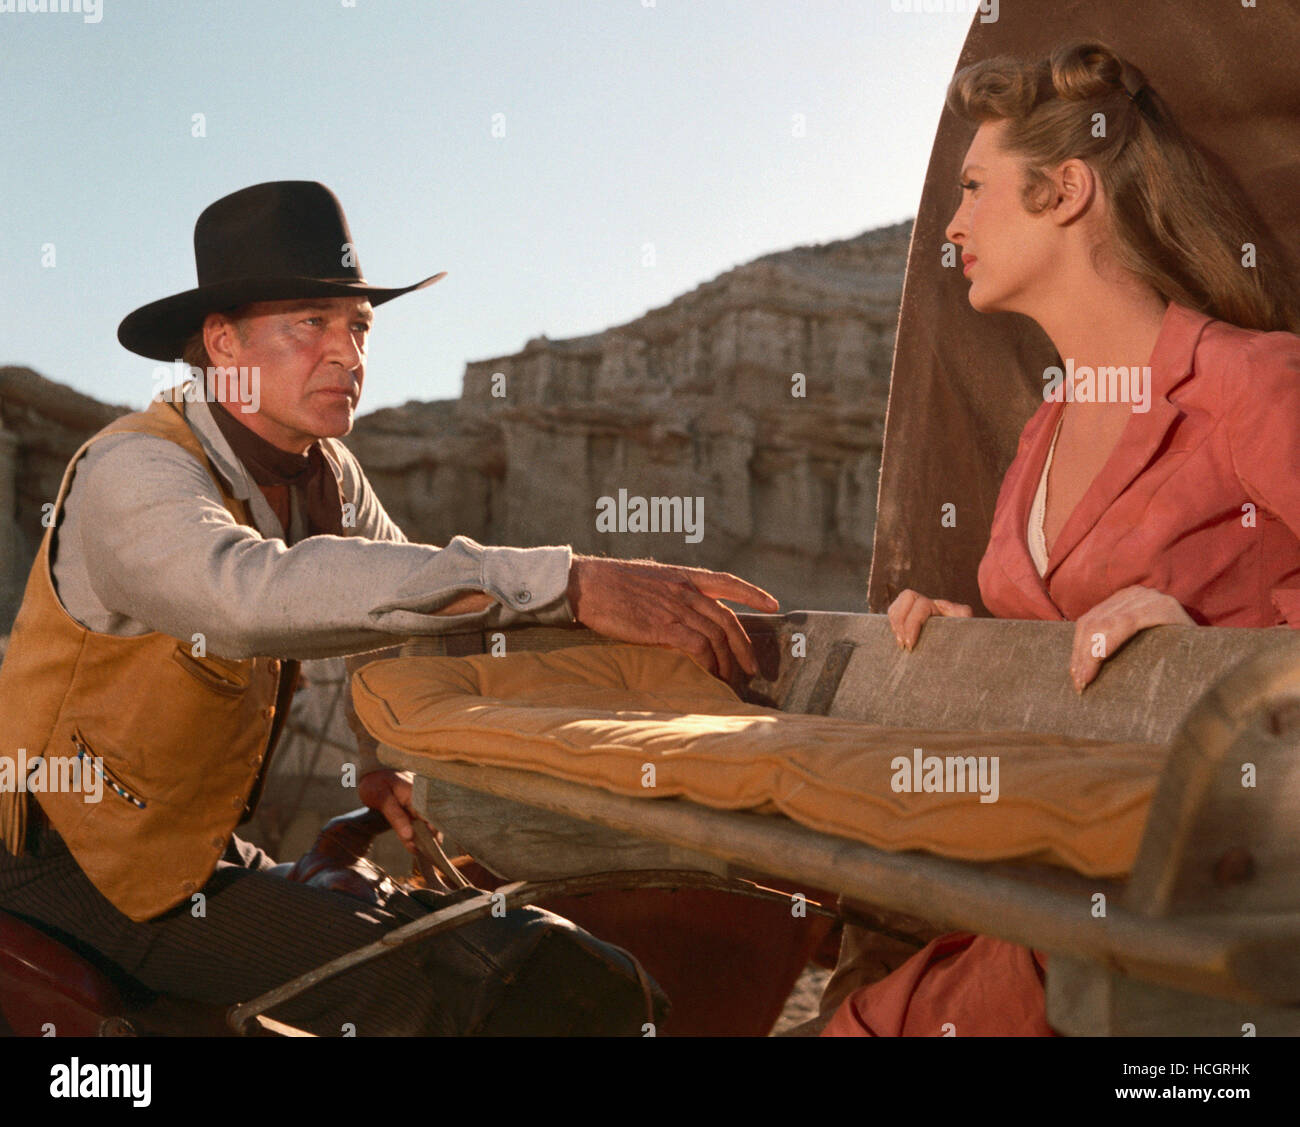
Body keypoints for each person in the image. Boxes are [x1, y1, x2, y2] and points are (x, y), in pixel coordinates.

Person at [0, 180, 779, 1035]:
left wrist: (380, 757)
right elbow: (242, 597)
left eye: (360, 327)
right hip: (59, 863)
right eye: (311, 322)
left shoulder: (327, 475)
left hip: (183, 848)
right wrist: (574, 582)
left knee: (508, 942)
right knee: (454, 983)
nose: (347, 354)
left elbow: (399, 616)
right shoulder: (135, 469)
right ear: (223, 342)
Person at [823, 41, 1300, 1036]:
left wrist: (1219, 661)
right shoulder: (1038, 438)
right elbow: (1062, 651)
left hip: (1205, 952)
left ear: (1068, 189)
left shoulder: (1252, 382)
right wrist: (969, 655)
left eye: (973, 187)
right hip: (1035, 924)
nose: (951, 224)